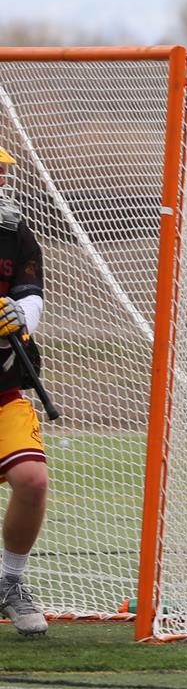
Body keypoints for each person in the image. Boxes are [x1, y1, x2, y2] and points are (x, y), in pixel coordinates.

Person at [0, 147, 49, 638]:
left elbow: (31, 293)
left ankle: (9, 583)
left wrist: (20, 318)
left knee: (31, 480)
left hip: (3, 389)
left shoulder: (14, 231)